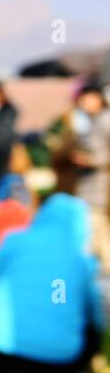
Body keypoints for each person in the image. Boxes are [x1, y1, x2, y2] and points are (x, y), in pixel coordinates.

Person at [0, 192, 103, 373]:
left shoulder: (16, 241)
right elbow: (95, 316)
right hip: (54, 363)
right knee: (92, 332)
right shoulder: (82, 261)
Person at [51, 85, 110, 262]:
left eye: (89, 98)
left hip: (99, 186)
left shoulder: (105, 120)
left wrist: (91, 160)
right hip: (90, 184)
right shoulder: (91, 121)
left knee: (94, 230)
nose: (85, 103)